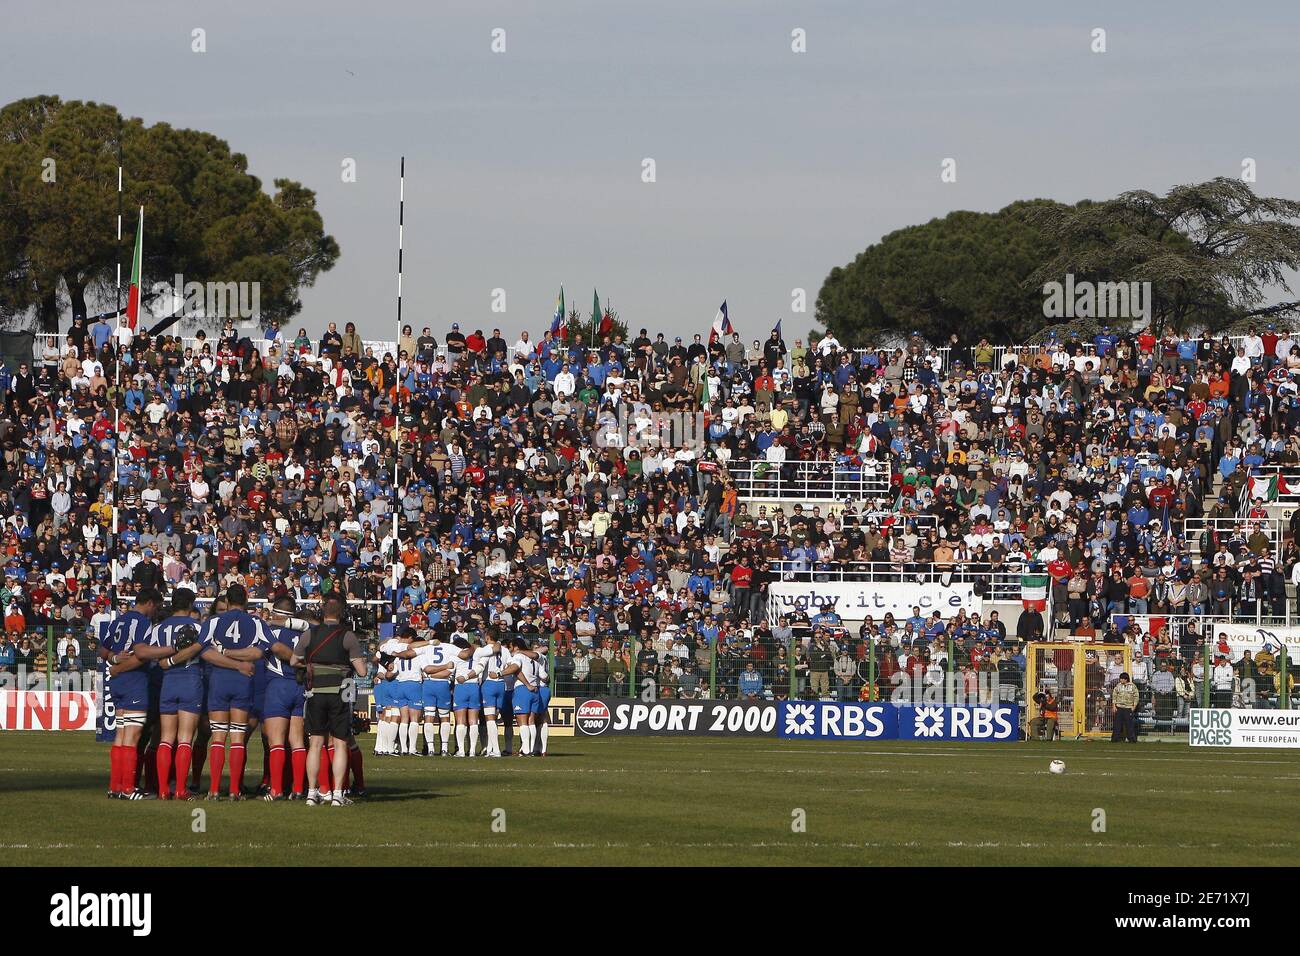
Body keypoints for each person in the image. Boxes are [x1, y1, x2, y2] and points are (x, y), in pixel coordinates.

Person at [289, 595, 368, 806]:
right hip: (339, 694)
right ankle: (337, 794)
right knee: (340, 743)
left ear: (323, 613)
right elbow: (361, 671)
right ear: (342, 614)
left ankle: (312, 793)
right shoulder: (347, 636)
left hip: (315, 693)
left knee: (315, 744)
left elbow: (293, 660)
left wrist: (311, 664)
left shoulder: (310, 634)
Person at [198, 584, 273, 800]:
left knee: (219, 738)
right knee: (238, 739)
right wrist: (240, 662)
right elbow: (259, 652)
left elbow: (204, 652)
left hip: (219, 681)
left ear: (227, 601)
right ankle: (233, 790)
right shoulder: (256, 622)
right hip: (243, 681)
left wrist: (226, 654)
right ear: (247, 600)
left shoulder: (213, 621)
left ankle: (213, 789)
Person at [132, 587, 204, 800]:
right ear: (190, 605)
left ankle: (163, 789)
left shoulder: (159, 628)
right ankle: (180, 788)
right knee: (185, 739)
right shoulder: (198, 627)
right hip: (190, 679)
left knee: (165, 738)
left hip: (168, 682)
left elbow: (152, 655)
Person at [101, 588, 163, 799]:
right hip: (134, 681)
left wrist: (113, 660)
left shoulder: (119, 620)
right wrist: (171, 649)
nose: (156, 611)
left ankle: (115, 786)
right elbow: (142, 652)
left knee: (120, 736)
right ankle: (128, 788)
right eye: (157, 606)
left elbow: (103, 649)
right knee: (132, 737)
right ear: (150, 603)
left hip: (117, 683)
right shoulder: (143, 622)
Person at [1111, 672, 1139, 743]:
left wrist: (1134, 706)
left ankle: (1132, 739)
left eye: (1122, 678)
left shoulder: (1133, 686)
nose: (1121, 680)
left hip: (1128, 708)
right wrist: (1114, 706)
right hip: (1119, 707)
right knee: (1117, 724)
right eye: (1120, 678)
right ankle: (1115, 738)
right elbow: (1114, 696)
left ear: (1126, 679)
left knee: (1129, 725)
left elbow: (1136, 697)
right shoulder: (1118, 686)